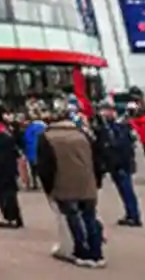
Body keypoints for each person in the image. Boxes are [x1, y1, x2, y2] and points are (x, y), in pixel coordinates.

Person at [37, 102, 106, 269]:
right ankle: (96, 253)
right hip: (87, 182)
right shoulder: (83, 134)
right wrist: (97, 181)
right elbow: (97, 159)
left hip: (63, 183)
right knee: (90, 216)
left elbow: (45, 166)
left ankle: (81, 251)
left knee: (73, 218)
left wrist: (48, 188)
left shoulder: (47, 137)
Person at [95, 100, 142, 227]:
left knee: (127, 190)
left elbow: (121, 146)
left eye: (105, 110)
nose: (102, 113)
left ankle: (134, 216)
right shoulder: (112, 125)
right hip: (117, 163)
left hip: (121, 164)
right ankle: (130, 214)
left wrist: (117, 162)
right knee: (124, 190)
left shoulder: (119, 127)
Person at [0, 113, 24, 229]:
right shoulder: (8, 132)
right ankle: (14, 217)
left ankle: (11, 217)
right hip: (9, 166)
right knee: (9, 193)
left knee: (4, 193)